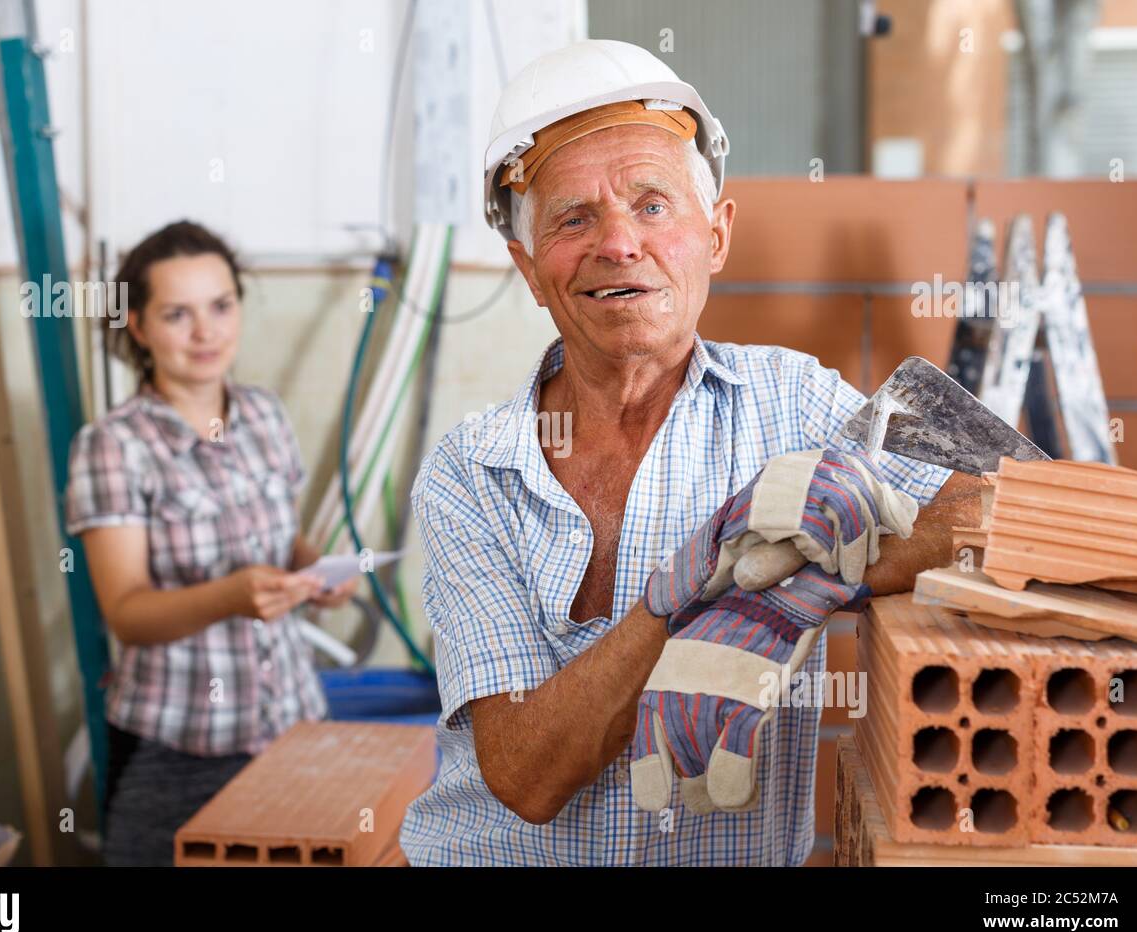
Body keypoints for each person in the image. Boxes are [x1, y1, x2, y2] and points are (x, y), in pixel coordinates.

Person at [400, 40, 981, 865]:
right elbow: (528, 775)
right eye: (574, 218)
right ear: (529, 271)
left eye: (653, 205)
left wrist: (795, 568)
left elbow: (988, 507)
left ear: (717, 235)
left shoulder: (794, 403)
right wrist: (690, 593)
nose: (618, 243)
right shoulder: (472, 468)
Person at [64, 220, 356, 866]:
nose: (207, 332)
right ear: (137, 327)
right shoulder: (113, 446)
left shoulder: (264, 414)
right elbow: (129, 614)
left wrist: (321, 572)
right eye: (177, 314)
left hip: (295, 728)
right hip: (180, 748)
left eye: (221, 306)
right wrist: (230, 596)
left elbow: (287, 540)